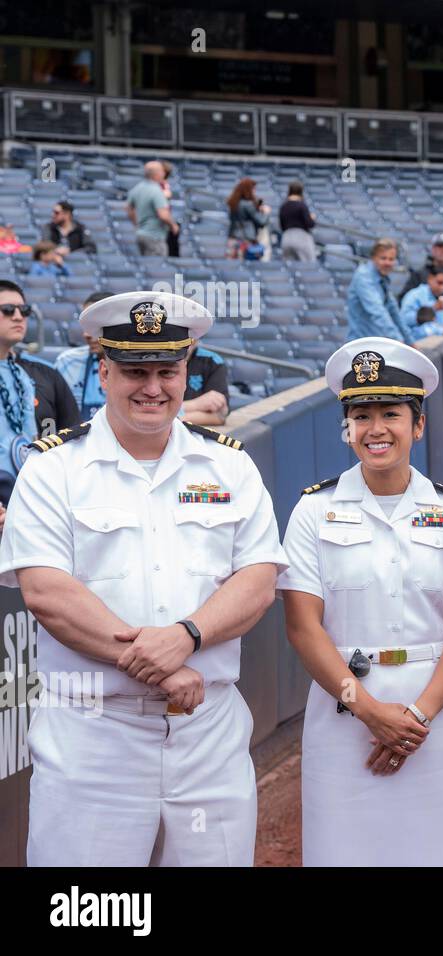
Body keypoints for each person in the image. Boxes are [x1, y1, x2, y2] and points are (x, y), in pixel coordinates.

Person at [0, 289, 286, 866]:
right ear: (103, 370)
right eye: (134, 370)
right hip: (92, 735)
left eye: (167, 370)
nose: (152, 387)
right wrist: (160, 664)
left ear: (186, 372)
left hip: (208, 729)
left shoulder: (229, 465)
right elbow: (47, 593)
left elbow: (257, 579)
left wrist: (185, 638)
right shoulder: (53, 469)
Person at [280, 337, 443, 866]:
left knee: (439, 852)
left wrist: (416, 716)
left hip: (432, 716)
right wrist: (370, 711)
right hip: (344, 710)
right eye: (361, 415)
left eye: (391, 413)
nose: (376, 429)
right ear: (346, 428)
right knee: (344, 852)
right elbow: (304, 627)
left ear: (417, 425)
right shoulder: (312, 511)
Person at [0, 280, 81, 516]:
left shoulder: (45, 374)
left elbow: (73, 440)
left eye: (24, 311)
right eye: (7, 310)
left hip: (36, 503)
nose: (18, 317)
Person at [55, 291, 113, 420]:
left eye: (94, 325)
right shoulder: (67, 362)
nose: (86, 334)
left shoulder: (135, 365)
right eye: (85, 325)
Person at [347, 238, 415, 345]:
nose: (388, 263)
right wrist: (398, 340)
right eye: (383, 258)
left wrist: (410, 341)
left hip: (377, 343)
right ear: (373, 258)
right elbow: (377, 311)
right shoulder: (364, 277)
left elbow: (394, 312)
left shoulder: (383, 278)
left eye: (391, 259)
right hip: (361, 345)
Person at [125, 160, 177, 257]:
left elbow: (128, 208)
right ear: (157, 173)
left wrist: (137, 224)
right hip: (155, 236)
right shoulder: (156, 191)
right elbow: (163, 215)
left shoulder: (137, 188)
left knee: (147, 266)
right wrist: (173, 225)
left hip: (141, 235)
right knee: (157, 268)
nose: (163, 174)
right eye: (162, 171)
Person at [182, 342, 230, 426]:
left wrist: (172, 419)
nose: (189, 339)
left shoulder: (212, 361)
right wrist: (195, 404)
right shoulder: (155, 360)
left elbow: (219, 416)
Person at [399, 267, 443, 337]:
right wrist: (433, 309)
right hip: (414, 342)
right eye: (440, 283)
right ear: (430, 279)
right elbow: (403, 320)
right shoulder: (415, 295)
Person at [226, 178, 270, 260]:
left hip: (233, 239)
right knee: (245, 268)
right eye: (253, 189)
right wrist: (266, 213)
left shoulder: (233, 203)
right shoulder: (248, 204)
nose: (254, 191)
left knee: (233, 267)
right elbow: (262, 222)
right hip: (245, 240)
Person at [278, 180, 317, 262]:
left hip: (286, 238)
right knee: (308, 266)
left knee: (289, 268)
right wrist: (312, 218)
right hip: (301, 237)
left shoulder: (283, 206)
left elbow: (282, 226)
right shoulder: (302, 205)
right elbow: (310, 224)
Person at [161, 161, 182, 259]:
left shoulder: (165, 185)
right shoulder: (155, 186)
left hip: (166, 224)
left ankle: (177, 275)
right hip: (160, 225)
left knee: (173, 253)